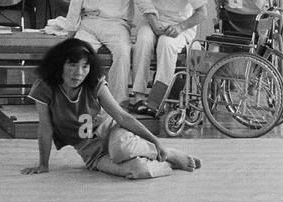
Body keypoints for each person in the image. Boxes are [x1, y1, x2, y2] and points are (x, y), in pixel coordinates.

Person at [22, 37, 199, 179]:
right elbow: (45, 127)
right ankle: (167, 161)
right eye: (72, 65)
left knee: (120, 150)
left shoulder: (93, 83)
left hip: (113, 132)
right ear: (59, 64)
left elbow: (122, 117)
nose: (79, 73)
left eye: (85, 66)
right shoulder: (45, 87)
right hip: (92, 153)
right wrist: (43, 164)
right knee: (139, 171)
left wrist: (156, 141)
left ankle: (166, 152)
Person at [130, 0, 209, 115]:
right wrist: (151, 19)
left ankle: (157, 100)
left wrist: (180, 27)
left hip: (181, 25)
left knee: (165, 44)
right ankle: (139, 96)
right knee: (142, 40)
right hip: (155, 21)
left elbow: (202, 12)